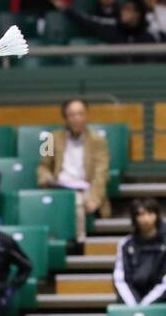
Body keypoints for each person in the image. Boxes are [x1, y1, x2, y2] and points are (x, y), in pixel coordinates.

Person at [37, 98, 111, 243]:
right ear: (65, 118)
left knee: (76, 201)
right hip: (59, 187)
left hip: (85, 188)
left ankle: (78, 243)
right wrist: (45, 178)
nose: (77, 119)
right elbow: (43, 165)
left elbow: (101, 173)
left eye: (80, 114)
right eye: (72, 115)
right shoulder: (50, 138)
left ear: (86, 115)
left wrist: (95, 199)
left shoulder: (98, 140)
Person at [113, 197, 166, 306]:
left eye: (150, 213)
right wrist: (134, 306)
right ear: (134, 218)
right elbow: (120, 279)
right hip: (131, 303)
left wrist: (145, 305)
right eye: (140, 214)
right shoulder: (125, 244)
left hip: (161, 302)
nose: (146, 219)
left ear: (157, 215)